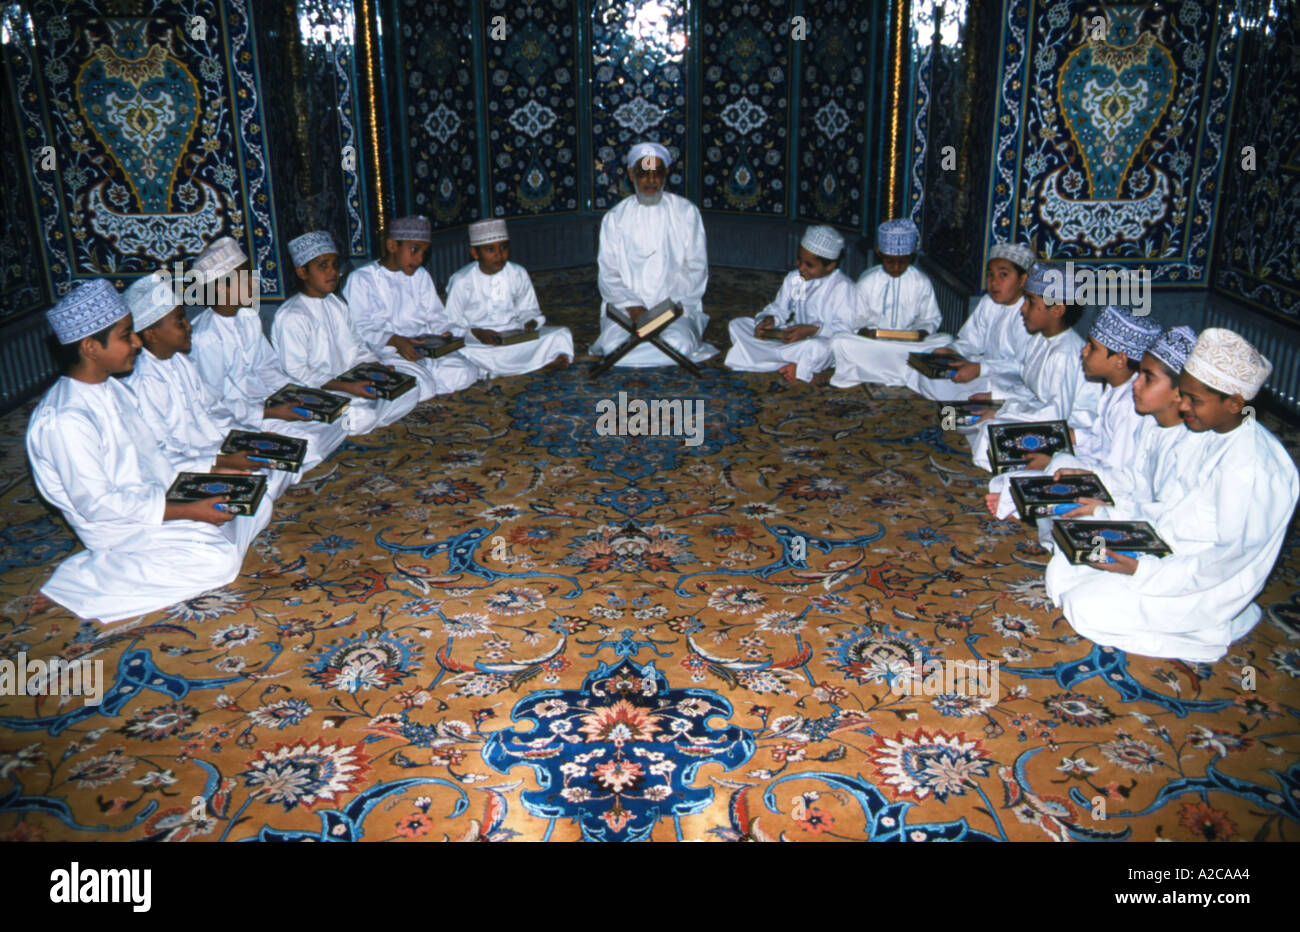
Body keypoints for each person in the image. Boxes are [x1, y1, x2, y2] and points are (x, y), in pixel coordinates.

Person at [1044, 328, 1299, 663]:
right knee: (1061, 573)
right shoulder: (1205, 433)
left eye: (1194, 399)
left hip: (1204, 586)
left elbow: (1225, 562)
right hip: (1164, 553)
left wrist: (1140, 570)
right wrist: (1110, 517)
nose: (1182, 404)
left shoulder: (1252, 468)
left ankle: (1213, 631)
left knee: (1084, 607)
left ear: (1235, 403)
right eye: (1183, 394)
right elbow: (1165, 507)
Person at [25, 279, 272, 623]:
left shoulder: (115, 391)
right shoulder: (66, 419)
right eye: (127, 335)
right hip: (117, 527)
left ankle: (191, 539)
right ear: (91, 347)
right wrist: (188, 510)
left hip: (154, 498)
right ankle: (83, 580)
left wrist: (212, 471)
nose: (137, 341)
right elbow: (99, 506)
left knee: (259, 498)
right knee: (219, 561)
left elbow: (156, 459)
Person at [123, 271, 297, 499]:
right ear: (152, 334)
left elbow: (214, 410)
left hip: (211, 446)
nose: (188, 326)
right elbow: (160, 455)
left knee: (286, 456)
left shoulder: (181, 363)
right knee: (260, 486)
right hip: (184, 466)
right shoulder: (142, 383)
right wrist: (220, 462)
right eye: (179, 321)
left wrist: (244, 440)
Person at [986, 304, 1161, 519]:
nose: (1083, 350)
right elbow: (1100, 441)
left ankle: (1022, 506)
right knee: (1015, 476)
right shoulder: (1114, 390)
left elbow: (1120, 475)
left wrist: (1058, 461)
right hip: (1097, 467)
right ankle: (1020, 502)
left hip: (1115, 486)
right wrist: (1069, 438)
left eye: (1092, 347)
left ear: (1119, 360)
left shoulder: (1130, 405)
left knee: (1056, 465)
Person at [187, 236, 352, 453]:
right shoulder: (207, 338)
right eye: (245, 279)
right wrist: (270, 412)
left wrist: (297, 394)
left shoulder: (248, 317)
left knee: (341, 418)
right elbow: (214, 405)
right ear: (221, 288)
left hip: (267, 400)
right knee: (310, 443)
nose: (255, 283)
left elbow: (267, 366)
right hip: (236, 415)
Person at [271, 231, 421, 434]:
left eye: (334, 265)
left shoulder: (337, 304)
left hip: (350, 384)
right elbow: (297, 373)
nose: (333, 272)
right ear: (302, 273)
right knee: (363, 416)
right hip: (318, 391)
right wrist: (344, 387)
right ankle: (347, 420)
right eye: (323, 266)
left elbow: (357, 345)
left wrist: (374, 365)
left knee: (411, 389)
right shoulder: (291, 316)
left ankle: (343, 423)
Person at [961, 261, 1101, 472]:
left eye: (1030, 301)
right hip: (1037, 411)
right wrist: (996, 397)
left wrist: (1004, 411)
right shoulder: (1039, 340)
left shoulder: (1064, 353)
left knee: (991, 428)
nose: (1023, 309)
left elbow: (1056, 415)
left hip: (1069, 430)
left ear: (1057, 310)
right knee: (970, 411)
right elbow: (1029, 387)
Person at [591, 141, 716, 367]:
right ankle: (657, 352)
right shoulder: (614, 218)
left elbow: (696, 268)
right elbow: (608, 274)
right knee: (611, 346)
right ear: (631, 174)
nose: (650, 181)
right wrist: (633, 306)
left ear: (666, 173)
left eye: (656, 173)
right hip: (626, 310)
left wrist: (664, 309)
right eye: (643, 173)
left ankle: (636, 353)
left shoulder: (687, 213)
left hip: (675, 308)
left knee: (680, 343)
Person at [341, 215, 483, 398]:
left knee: (467, 371)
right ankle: (416, 383)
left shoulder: (421, 275)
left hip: (425, 347)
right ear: (392, 246)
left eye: (424, 252)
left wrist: (444, 332)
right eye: (414, 250)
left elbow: (435, 315)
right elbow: (360, 328)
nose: (419, 259)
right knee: (421, 385)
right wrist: (395, 340)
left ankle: (413, 385)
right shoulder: (361, 279)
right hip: (388, 352)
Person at [722, 225, 856, 384]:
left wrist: (813, 330)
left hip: (818, 342)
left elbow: (847, 331)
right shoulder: (794, 279)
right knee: (738, 324)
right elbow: (779, 308)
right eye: (799, 259)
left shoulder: (843, 287)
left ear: (830, 265)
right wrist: (769, 320)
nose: (801, 267)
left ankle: (781, 360)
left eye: (809, 265)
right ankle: (793, 362)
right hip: (790, 340)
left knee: (819, 348)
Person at [441, 219, 574, 374]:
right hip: (481, 344)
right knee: (463, 354)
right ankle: (535, 362)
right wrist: (477, 333)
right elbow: (451, 324)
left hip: (514, 335)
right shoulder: (461, 281)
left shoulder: (518, 273)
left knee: (561, 334)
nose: (499, 255)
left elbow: (529, 309)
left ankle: (511, 366)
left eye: (503, 247)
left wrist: (529, 322)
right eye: (490, 249)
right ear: (475, 253)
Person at [827, 218, 949, 388]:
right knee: (838, 341)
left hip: (907, 345)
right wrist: (863, 331)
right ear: (879, 253)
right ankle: (904, 373)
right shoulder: (867, 281)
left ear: (912, 254)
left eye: (903, 261)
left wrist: (922, 331)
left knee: (945, 341)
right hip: (874, 345)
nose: (896, 267)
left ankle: (874, 371)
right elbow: (855, 318)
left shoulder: (921, 281)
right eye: (890, 261)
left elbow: (931, 318)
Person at [905, 243, 1034, 401]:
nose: (994, 282)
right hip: (984, 370)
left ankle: (967, 409)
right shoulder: (988, 302)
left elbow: (1024, 366)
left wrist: (980, 369)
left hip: (1011, 382)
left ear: (1022, 279)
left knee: (950, 389)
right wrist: (953, 350)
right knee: (926, 370)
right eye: (990, 275)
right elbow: (972, 341)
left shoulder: (1030, 313)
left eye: (1003, 275)